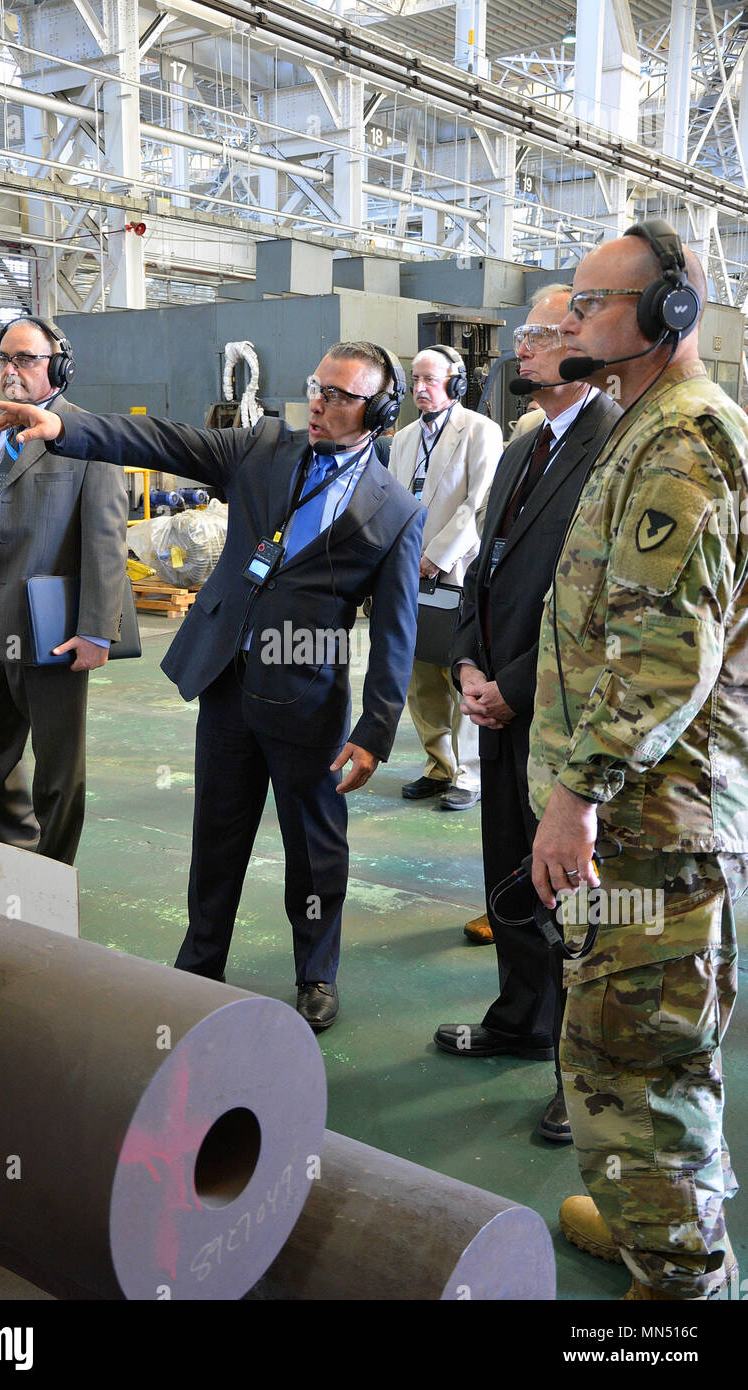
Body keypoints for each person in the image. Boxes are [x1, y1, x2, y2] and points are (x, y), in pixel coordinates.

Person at [0, 341, 423, 1031]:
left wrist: (374, 731)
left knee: (315, 847)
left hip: (307, 699)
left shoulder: (394, 508)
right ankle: (201, 963)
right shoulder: (265, 448)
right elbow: (163, 440)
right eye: (318, 386)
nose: (320, 402)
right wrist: (67, 427)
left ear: (379, 412)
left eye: (341, 396)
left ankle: (316, 971)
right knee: (217, 834)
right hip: (226, 679)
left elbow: (397, 632)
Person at [527, 221, 748, 1299]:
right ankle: (646, 1221)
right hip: (641, 821)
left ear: (667, 314)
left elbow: (660, 656)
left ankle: (679, 1283)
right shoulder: (643, 422)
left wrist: (575, 796)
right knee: (631, 1048)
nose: (569, 321)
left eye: (591, 304)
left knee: (636, 1062)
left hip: (653, 832)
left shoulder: (681, 441)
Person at [434, 287, 622, 1147]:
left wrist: (512, 683)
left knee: (573, 900)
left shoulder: (613, 440)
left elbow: (585, 600)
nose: (523, 349)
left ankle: (574, 1074)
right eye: (523, 336)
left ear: (583, 342)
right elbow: (483, 569)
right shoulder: (521, 446)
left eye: (540, 336)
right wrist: (469, 663)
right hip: (499, 695)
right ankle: (520, 1018)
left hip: (559, 710)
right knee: (510, 872)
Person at [0, 317, 128, 865]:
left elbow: (107, 539)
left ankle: (54, 872)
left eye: (26, 359)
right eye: (4, 358)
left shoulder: (86, 434)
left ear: (58, 367)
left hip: (51, 625)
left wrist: (96, 629)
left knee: (57, 766)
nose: (11, 369)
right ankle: (19, 855)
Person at [388, 347, 502, 810]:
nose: (420, 388)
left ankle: (468, 776)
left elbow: (479, 506)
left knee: (459, 671)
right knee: (419, 677)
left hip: (452, 573)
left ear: (456, 383)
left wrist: (434, 557)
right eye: (415, 379)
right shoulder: (403, 438)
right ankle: (438, 765)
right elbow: (392, 500)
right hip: (407, 574)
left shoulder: (480, 432)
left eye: (430, 380)